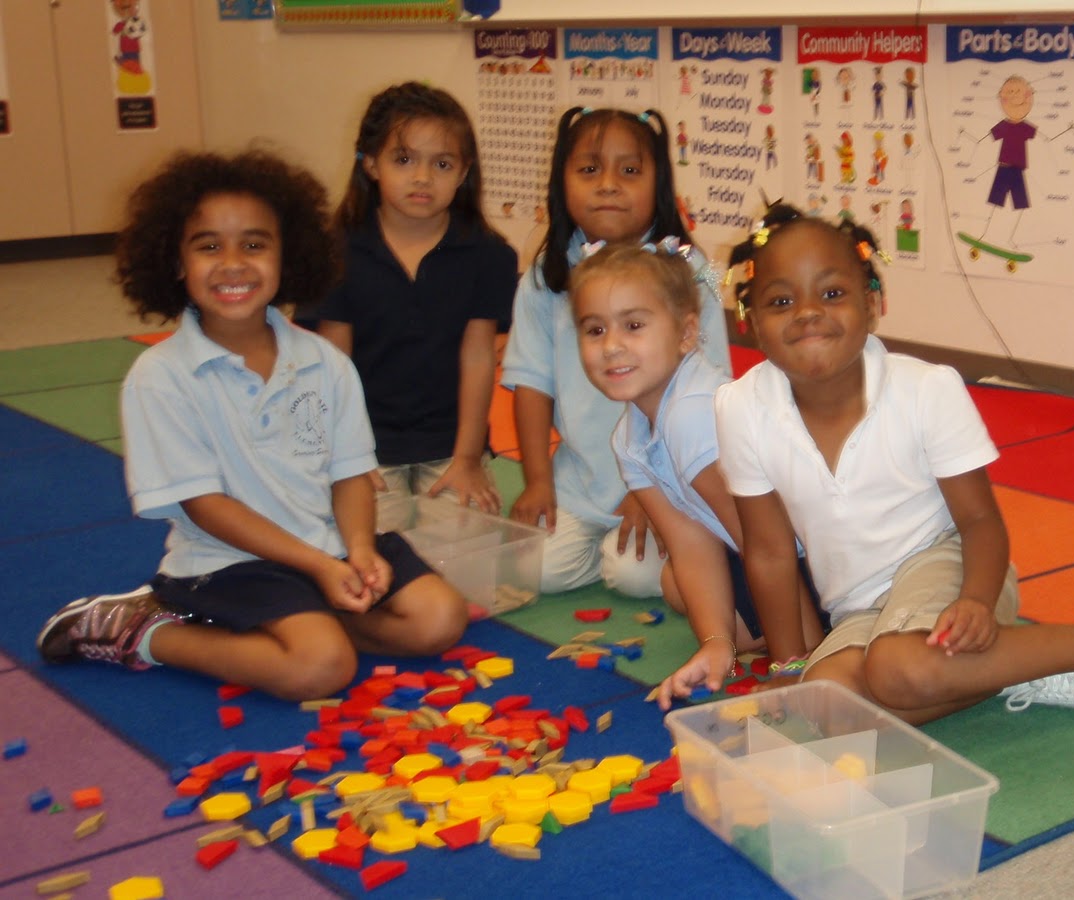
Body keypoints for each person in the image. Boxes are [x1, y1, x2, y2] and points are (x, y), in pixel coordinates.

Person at [715, 202, 1074, 728]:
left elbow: (980, 520)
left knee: (897, 669)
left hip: (949, 564)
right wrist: (790, 665)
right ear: (749, 321)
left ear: (872, 305)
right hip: (860, 606)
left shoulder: (926, 390)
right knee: (828, 705)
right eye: (781, 301)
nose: (807, 312)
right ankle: (1009, 669)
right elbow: (770, 551)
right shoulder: (740, 407)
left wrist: (977, 601)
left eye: (831, 294)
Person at [37, 150, 468, 700]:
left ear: (287, 256)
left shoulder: (324, 361)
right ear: (176, 262)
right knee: (320, 669)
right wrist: (317, 565)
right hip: (229, 562)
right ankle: (144, 631)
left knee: (438, 618)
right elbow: (205, 506)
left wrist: (359, 549)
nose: (233, 263)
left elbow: (350, 474)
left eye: (255, 245)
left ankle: (307, 619)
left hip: (327, 545)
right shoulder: (162, 376)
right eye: (209, 246)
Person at [568, 241, 825, 707]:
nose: (611, 346)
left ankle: (833, 631)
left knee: (842, 655)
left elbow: (768, 542)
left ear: (687, 333)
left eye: (634, 325)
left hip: (828, 554)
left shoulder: (694, 414)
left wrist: (797, 662)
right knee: (676, 583)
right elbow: (690, 544)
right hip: (772, 552)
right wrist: (716, 643)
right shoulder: (628, 436)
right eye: (595, 329)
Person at [502, 107, 731, 597]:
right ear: (561, 182)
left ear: (659, 183)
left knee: (634, 577)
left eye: (629, 170)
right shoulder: (546, 276)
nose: (608, 185)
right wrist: (538, 482)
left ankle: (666, 545)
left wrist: (650, 494)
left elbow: (713, 396)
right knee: (535, 570)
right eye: (589, 169)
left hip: (669, 480)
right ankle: (606, 546)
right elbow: (531, 383)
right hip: (581, 482)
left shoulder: (691, 270)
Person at [318, 82, 518, 532]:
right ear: (370, 163)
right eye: (404, 160)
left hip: (450, 445)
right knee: (368, 550)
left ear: (464, 172)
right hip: (364, 446)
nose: (423, 177)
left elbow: (479, 357)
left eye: (442, 164)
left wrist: (468, 459)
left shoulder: (489, 255)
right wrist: (344, 457)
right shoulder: (336, 251)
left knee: (466, 547)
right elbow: (332, 365)